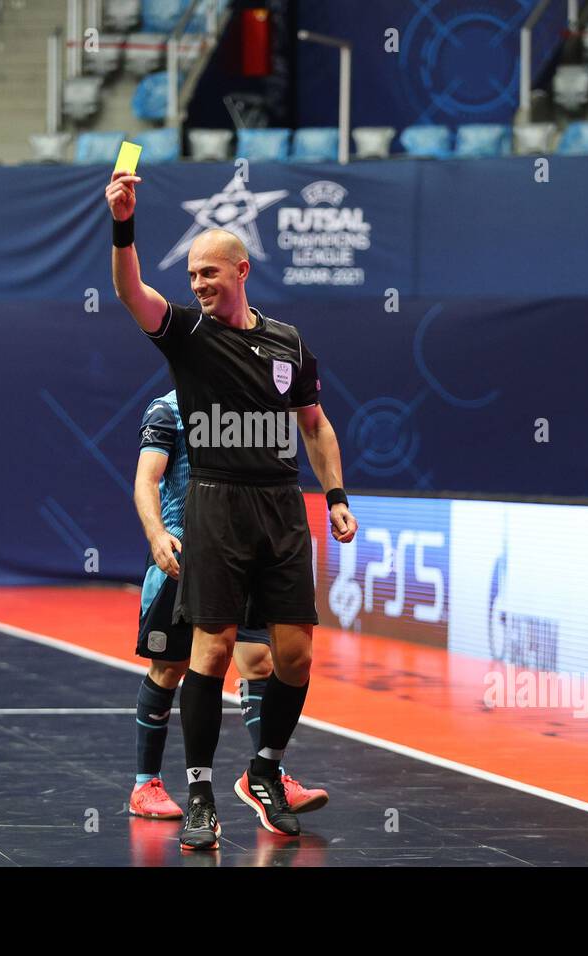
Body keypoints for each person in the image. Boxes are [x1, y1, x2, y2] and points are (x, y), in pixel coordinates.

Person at [106, 168, 357, 851]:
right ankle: (198, 794)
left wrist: (334, 495)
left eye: (209, 273)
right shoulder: (187, 335)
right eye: (191, 276)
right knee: (209, 654)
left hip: (280, 509)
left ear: (241, 271)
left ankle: (265, 770)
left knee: (295, 655)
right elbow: (131, 291)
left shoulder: (288, 342)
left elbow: (316, 424)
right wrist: (123, 223)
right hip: (215, 506)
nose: (198, 285)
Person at [128, 388, 329, 820]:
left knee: (259, 661)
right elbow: (146, 480)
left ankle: (265, 778)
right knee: (170, 668)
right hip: (183, 555)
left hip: (241, 555)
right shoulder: (167, 410)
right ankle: (146, 784)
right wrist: (157, 534)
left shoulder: (247, 410)